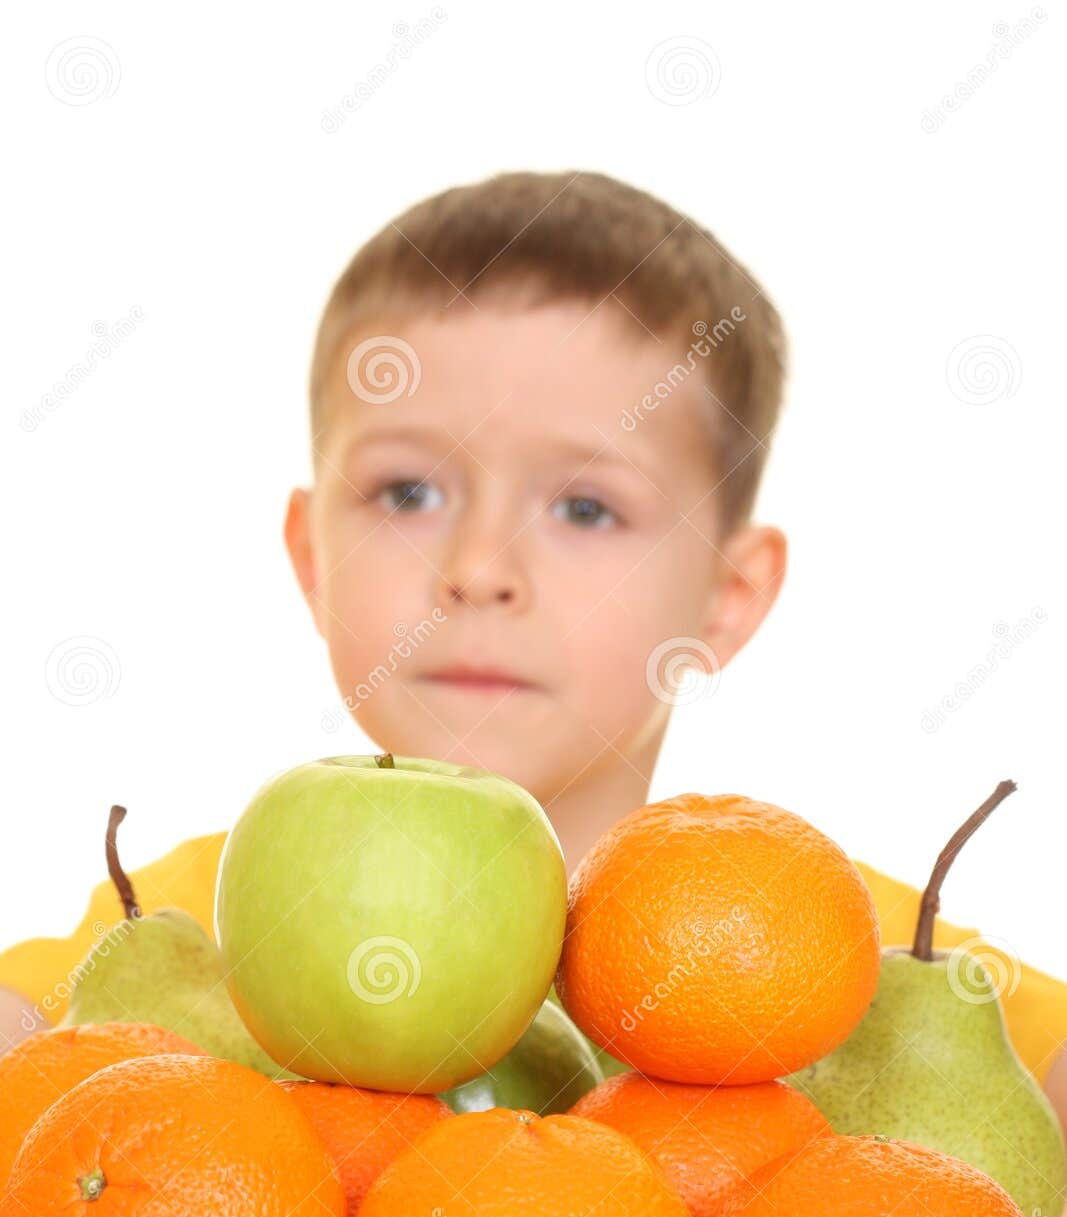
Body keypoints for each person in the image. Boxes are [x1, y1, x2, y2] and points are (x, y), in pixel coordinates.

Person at [2, 169, 1065, 1121]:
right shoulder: (182, 925)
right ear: (312, 557)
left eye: (587, 508)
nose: (476, 567)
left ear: (726, 598)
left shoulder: (837, 947)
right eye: (407, 492)